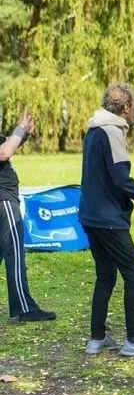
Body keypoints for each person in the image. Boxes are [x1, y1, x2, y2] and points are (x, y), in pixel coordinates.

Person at [79, 84, 134, 356]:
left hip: (90, 214)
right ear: (126, 108)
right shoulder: (111, 131)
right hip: (107, 219)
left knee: (105, 275)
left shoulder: (93, 130)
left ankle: (97, 338)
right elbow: (120, 177)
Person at [0, 110, 55, 323]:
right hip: (4, 201)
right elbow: (4, 153)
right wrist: (20, 130)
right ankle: (24, 308)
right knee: (14, 255)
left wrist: (22, 134)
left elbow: (7, 147)